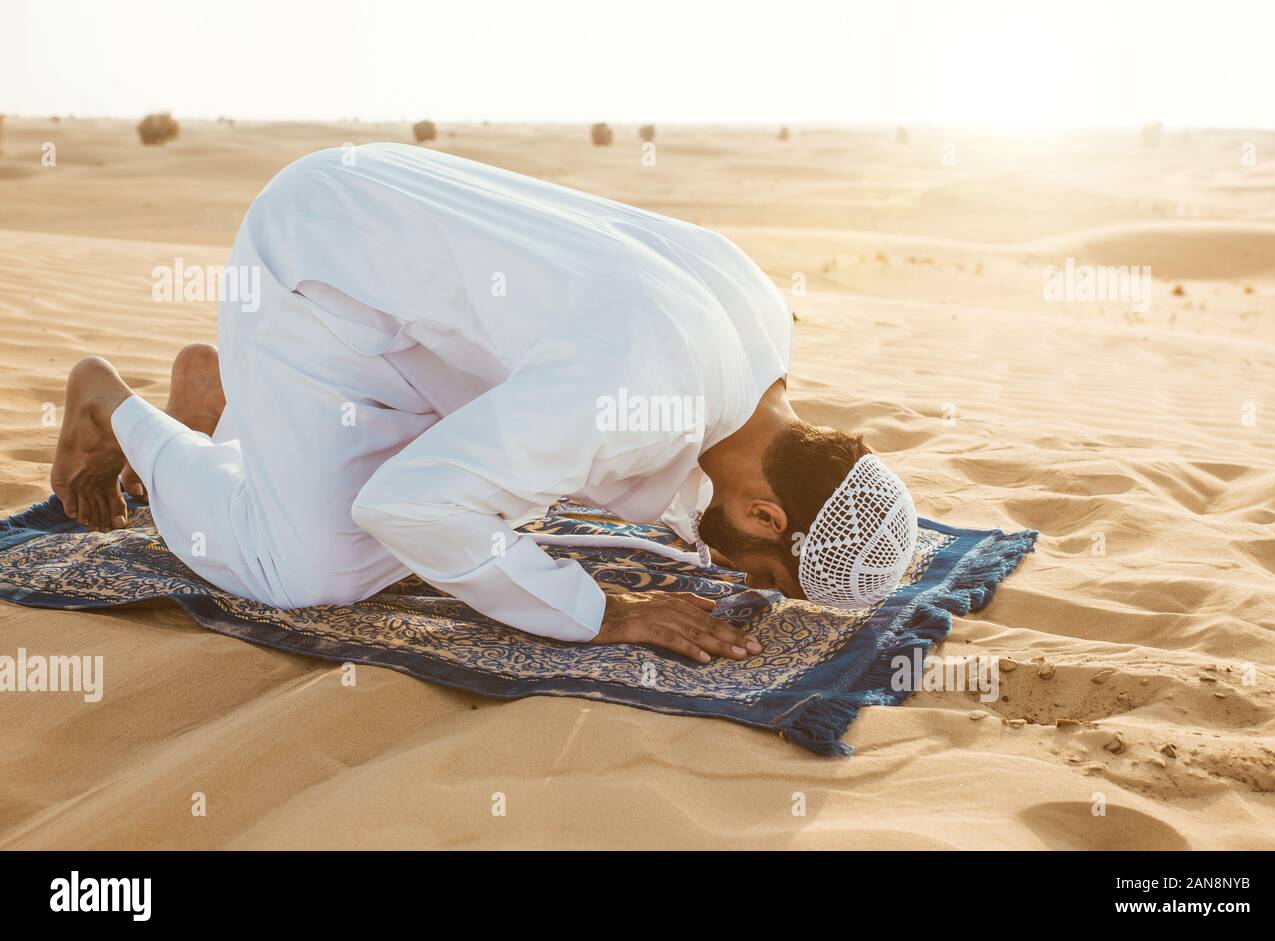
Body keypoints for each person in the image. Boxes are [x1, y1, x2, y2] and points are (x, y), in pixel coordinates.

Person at [50, 143, 916, 662]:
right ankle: (121, 412)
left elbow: (677, 466)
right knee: (318, 568)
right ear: (767, 512)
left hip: (403, 275)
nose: (731, 580)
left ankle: (231, 399)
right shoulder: (630, 396)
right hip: (310, 274)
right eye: (758, 571)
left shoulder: (761, 323)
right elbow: (407, 506)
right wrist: (609, 613)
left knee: (492, 486)